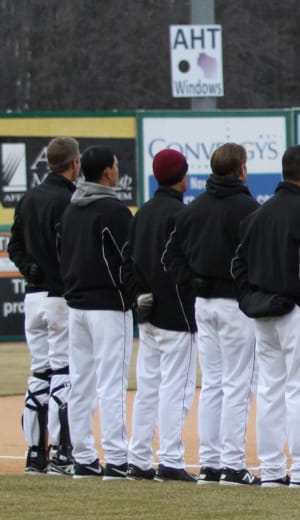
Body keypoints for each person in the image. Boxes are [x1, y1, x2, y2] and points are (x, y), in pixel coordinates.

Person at [232, 145, 300, 489]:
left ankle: (272, 470)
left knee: (271, 391)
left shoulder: (255, 216)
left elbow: (238, 268)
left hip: (263, 313)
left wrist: (249, 300)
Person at [163, 142, 260, 485]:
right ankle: (233, 464)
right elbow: (256, 262)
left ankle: (211, 462)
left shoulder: (191, 210)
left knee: (214, 383)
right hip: (235, 306)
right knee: (237, 384)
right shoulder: (249, 209)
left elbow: (170, 257)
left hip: (202, 304)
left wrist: (194, 282)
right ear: (241, 169)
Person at [60, 145, 144, 479]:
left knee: (80, 382)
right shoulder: (112, 210)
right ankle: (117, 459)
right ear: (106, 172)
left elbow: (59, 253)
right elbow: (128, 259)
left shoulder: (72, 208)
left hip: (76, 306)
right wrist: (132, 295)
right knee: (111, 383)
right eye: (115, 164)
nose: (117, 169)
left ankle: (82, 457)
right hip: (108, 306)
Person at [9, 136, 80, 475]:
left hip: (33, 297)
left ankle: (35, 454)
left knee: (39, 374)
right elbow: (71, 251)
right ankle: (63, 456)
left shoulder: (28, 198)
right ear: (74, 163)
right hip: (59, 298)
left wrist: (29, 269)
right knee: (63, 375)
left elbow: (14, 247)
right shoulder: (69, 199)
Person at [127, 148, 197, 482]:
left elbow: (130, 261)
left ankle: (138, 458)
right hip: (177, 314)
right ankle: (170, 459)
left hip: (148, 312)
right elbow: (181, 265)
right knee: (177, 389)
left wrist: (141, 294)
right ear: (180, 176)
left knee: (148, 387)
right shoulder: (180, 214)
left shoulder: (143, 212)